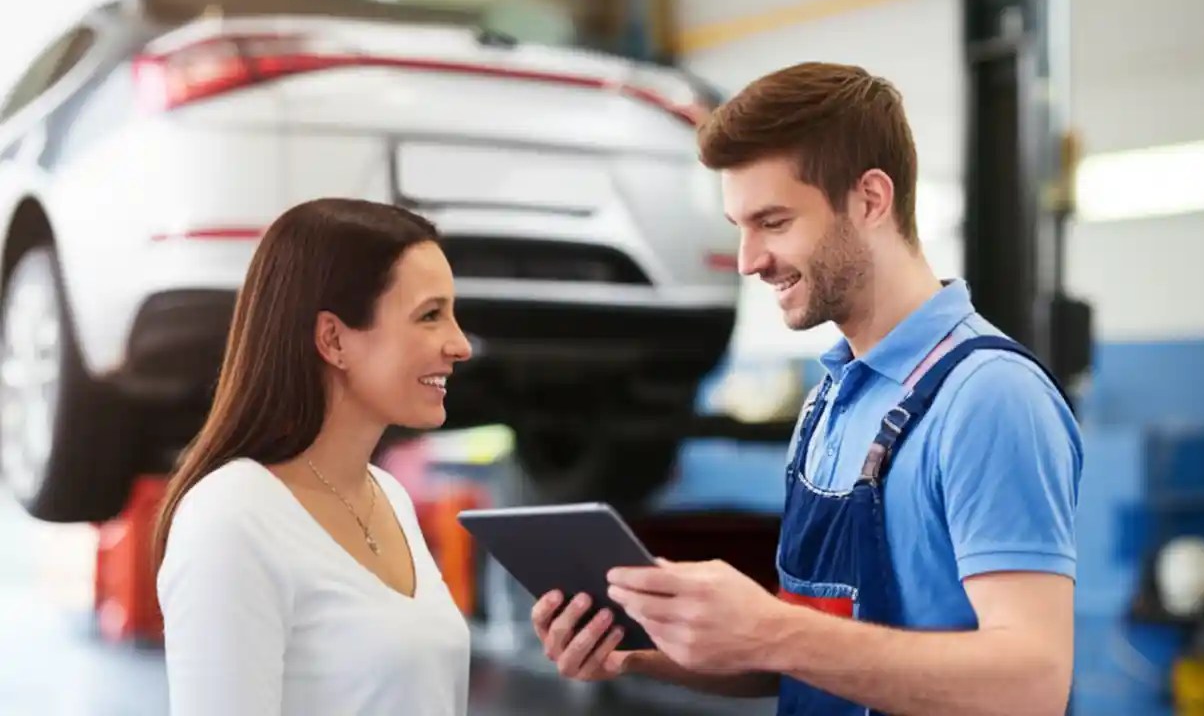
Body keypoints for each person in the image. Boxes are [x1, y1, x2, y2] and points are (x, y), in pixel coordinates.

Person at [530, 61, 1082, 715]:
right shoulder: (829, 403)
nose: (748, 261)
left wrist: (770, 627)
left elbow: (1032, 685)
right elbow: (817, 662)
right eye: (740, 227)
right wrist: (642, 648)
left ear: (870, 200)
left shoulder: (988, 397)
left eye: (773, 222)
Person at [153, 198, 474, 716]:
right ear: (333, 339)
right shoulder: (232, 517)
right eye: (430, 315)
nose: (460, 345)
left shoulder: (388, 496)